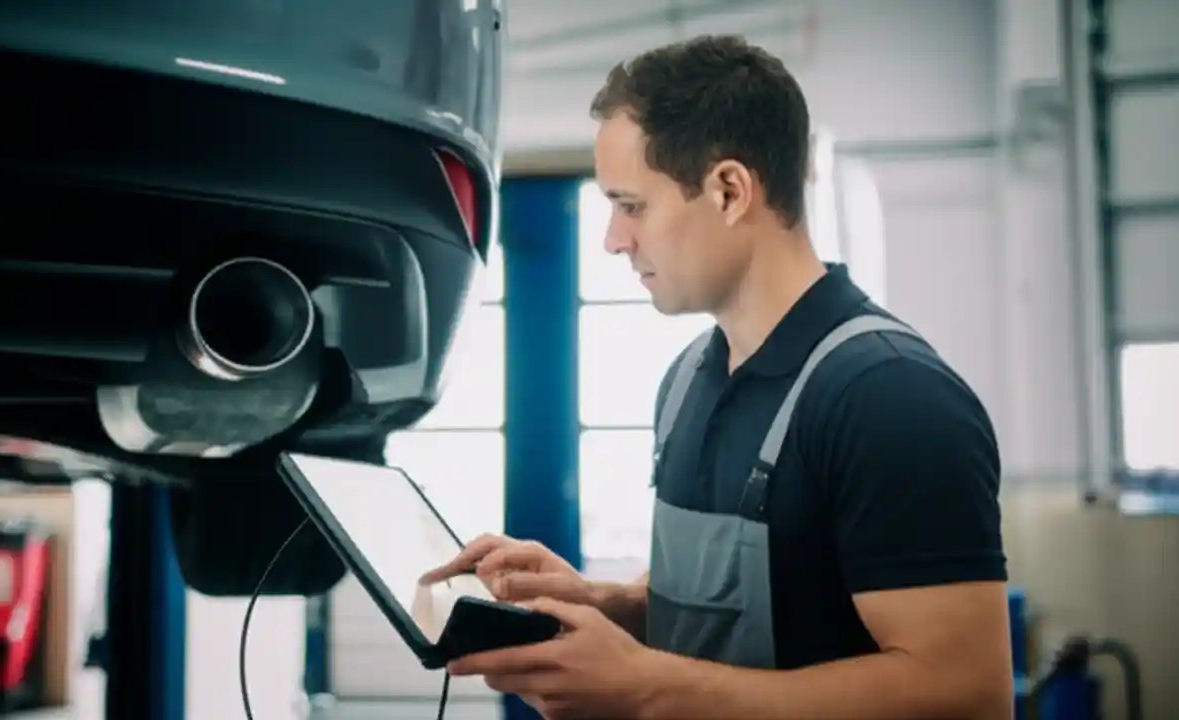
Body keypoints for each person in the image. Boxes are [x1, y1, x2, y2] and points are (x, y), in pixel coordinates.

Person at [421, 34, 1013, 719]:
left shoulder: (892, 397)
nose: (614, 238)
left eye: (632, 205)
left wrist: (644, 685)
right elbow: (752, 604)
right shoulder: (685, 384)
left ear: (729, 190)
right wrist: (602, 603)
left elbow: (964, 694)